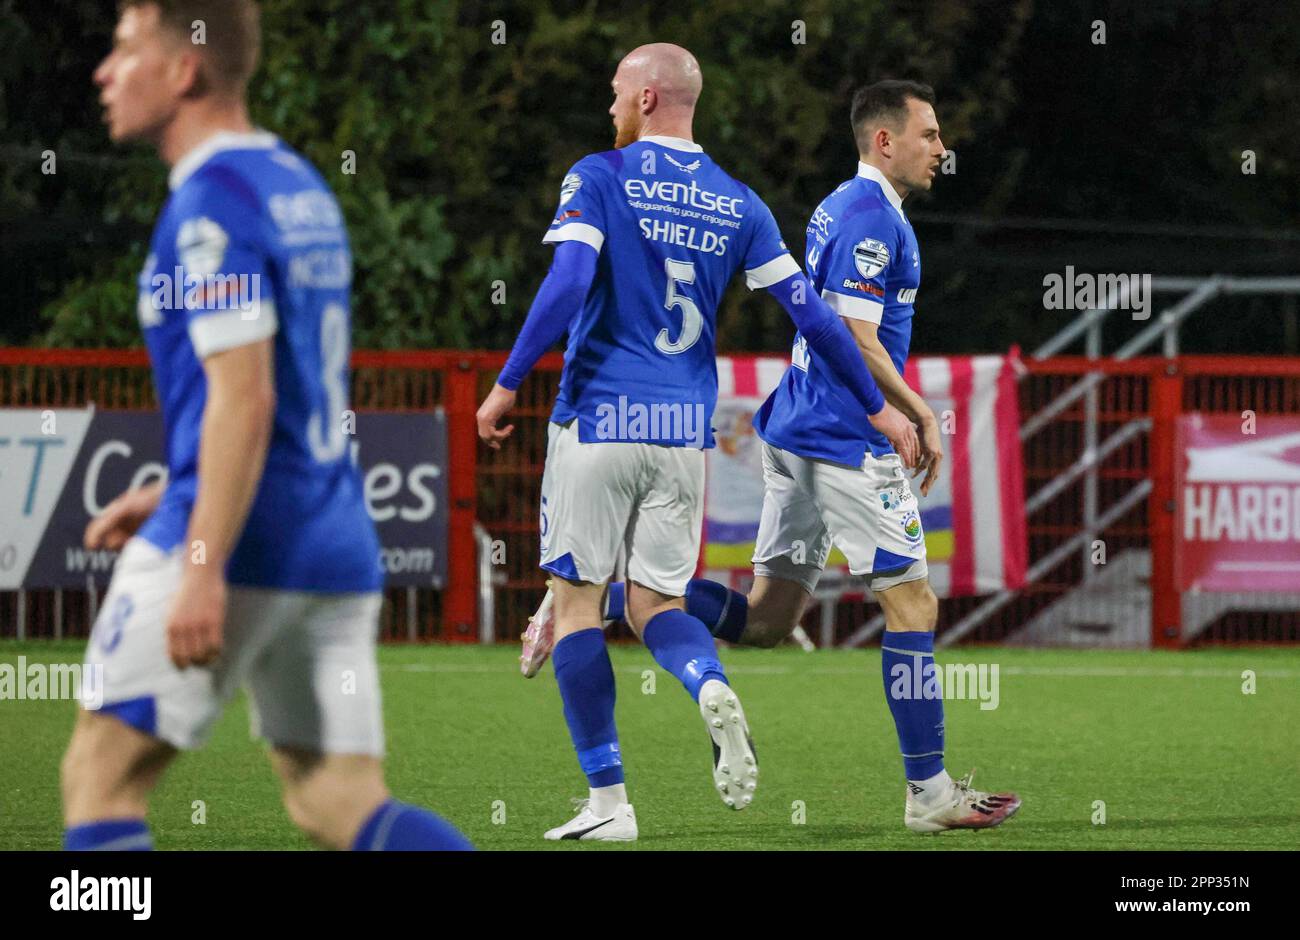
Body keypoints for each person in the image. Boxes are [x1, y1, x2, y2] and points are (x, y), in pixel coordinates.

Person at [523, 80, 1020, 834]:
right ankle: (930, 793)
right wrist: (912, 411)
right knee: (913, 603)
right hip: (842, 439)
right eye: (929, 133)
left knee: (766, 618)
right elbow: (852, 333)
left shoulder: (838, 207)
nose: (941, 149)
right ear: (884, 141)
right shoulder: (871, 222)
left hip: (795, 428)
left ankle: (589, 601)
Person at [60, 0, 471, 851]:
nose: (104, 70)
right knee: (337, 800)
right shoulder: (296, 185)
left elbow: (246, 399)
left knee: (100, 777)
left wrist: (202, 560)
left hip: (240, 542)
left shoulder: (210, 207)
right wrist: (176, 478)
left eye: (126, 47)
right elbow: (280, 390)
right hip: (334, 538)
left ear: (185, 70)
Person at [478, 45, 916, 842]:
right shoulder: (738, 201)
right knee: (657, 605)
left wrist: (508, 381)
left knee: (578, 604)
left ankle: (609, 803)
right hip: (683, 432)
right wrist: (878, 408)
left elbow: (570, 283)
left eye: (615, 92)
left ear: (646, 97)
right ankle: (707, 679)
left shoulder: (600, 177)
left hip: (599, 420)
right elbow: (815, 316)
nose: (610, 106)